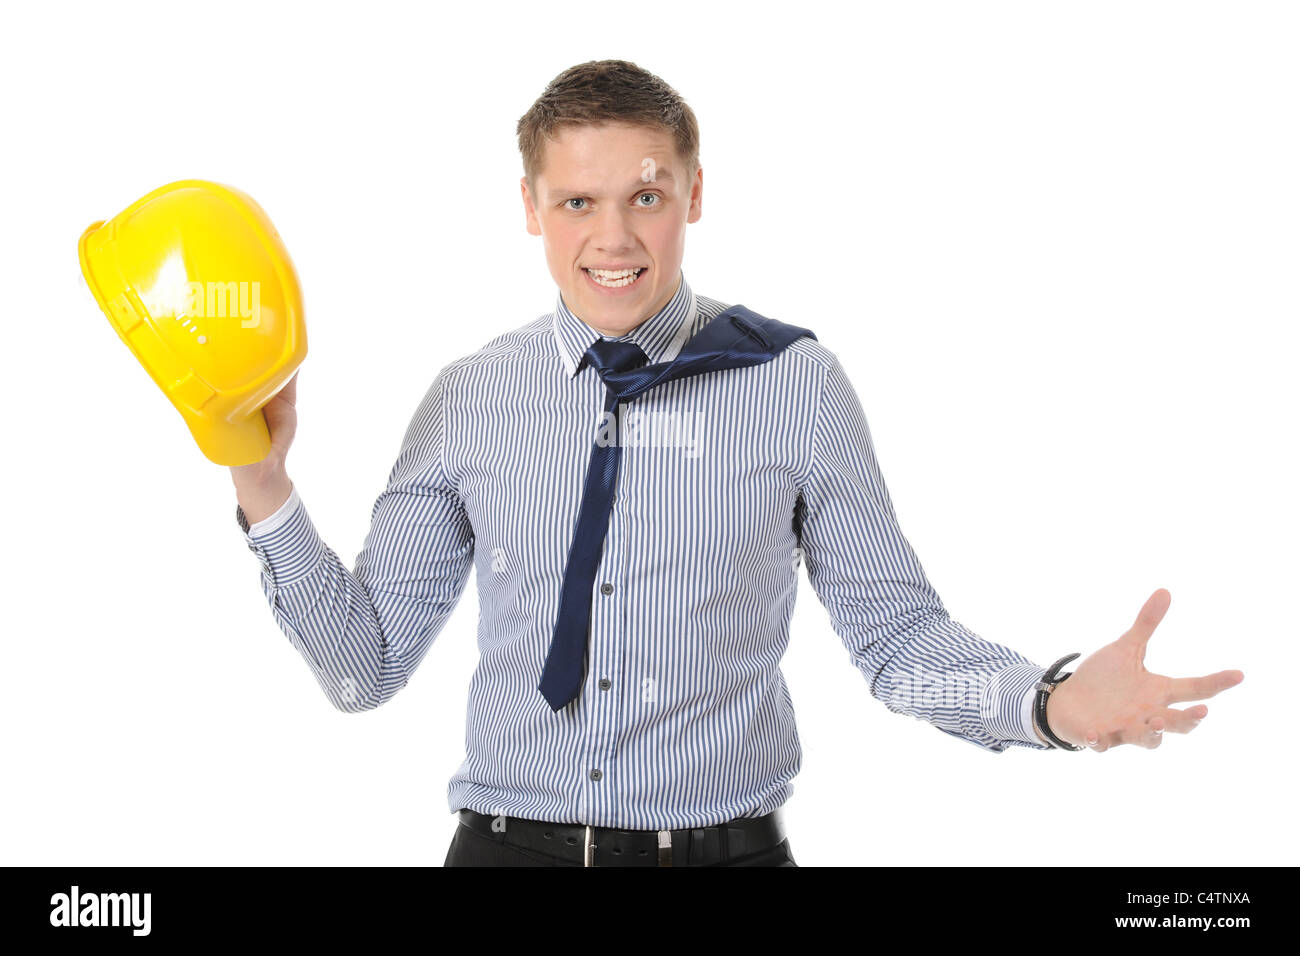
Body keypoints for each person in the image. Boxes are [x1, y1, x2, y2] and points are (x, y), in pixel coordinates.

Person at [229, 59, 1244, 867]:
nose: (614, 237)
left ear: (694, 192)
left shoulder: (792, 381)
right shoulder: (467, 399)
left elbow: (895, 636)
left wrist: (1046, 701)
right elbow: (361, 670)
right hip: (506, 853)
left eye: (645, 194)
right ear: (530, 205)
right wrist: (263, 482)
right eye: (578, 202)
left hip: (723, 856)